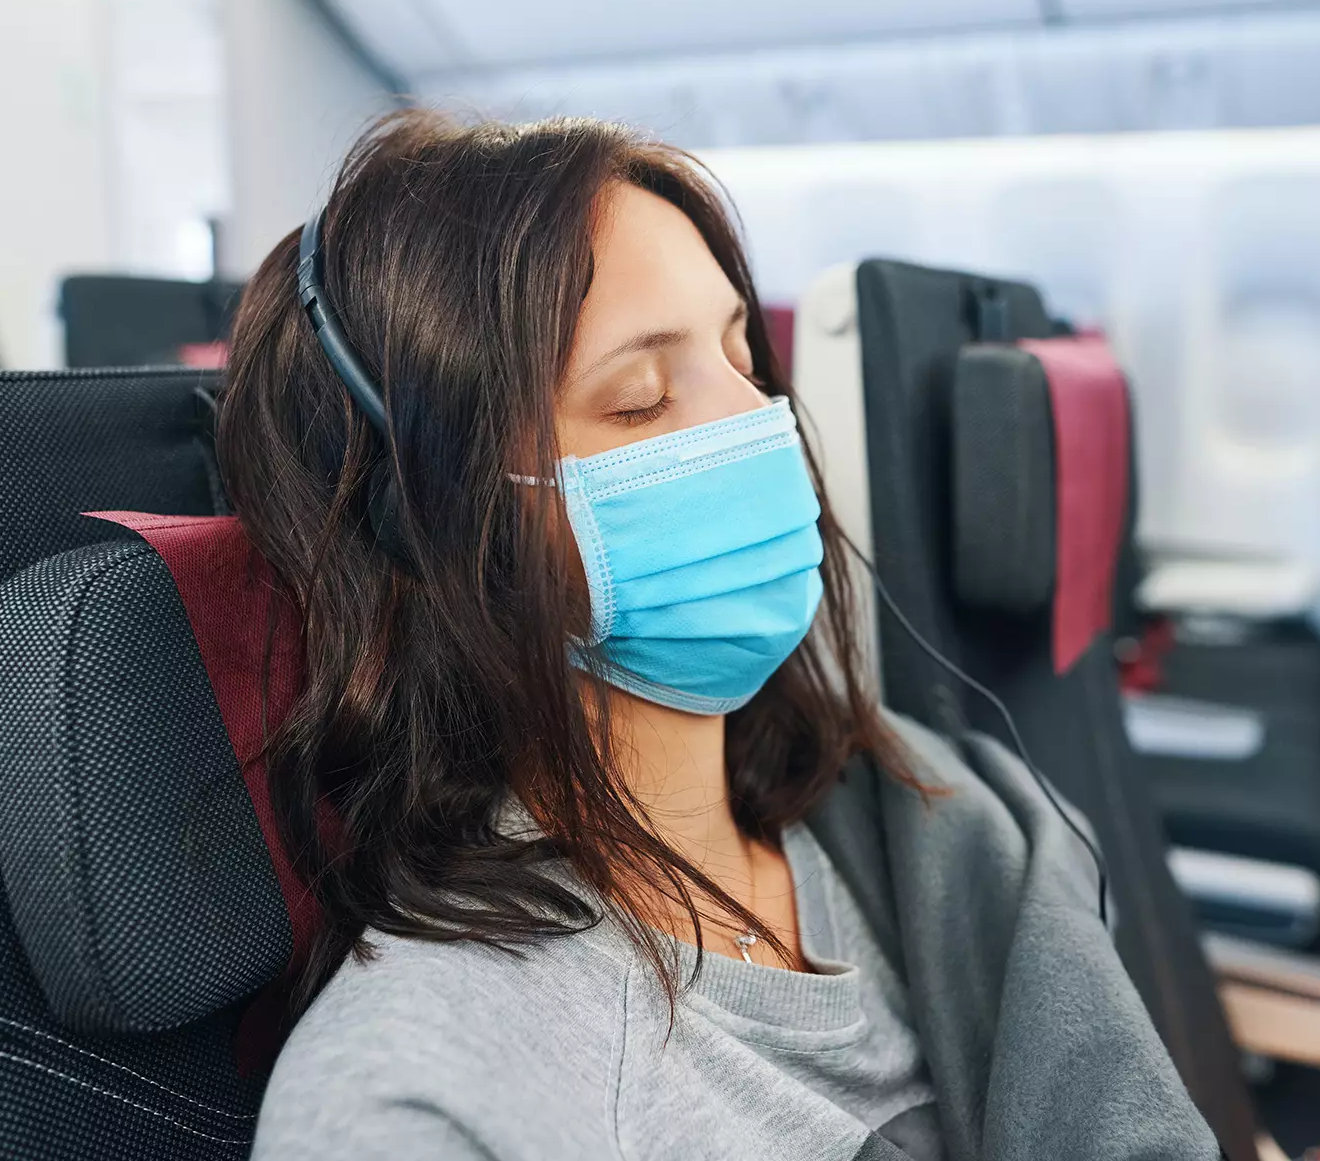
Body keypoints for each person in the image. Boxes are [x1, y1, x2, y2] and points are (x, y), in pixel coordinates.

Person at [225, 109, 1217, 1160]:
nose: (755, 423)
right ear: (432, 524)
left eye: (743, 354)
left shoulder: (923, 812)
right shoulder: (419, 1093)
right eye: (641, 400)